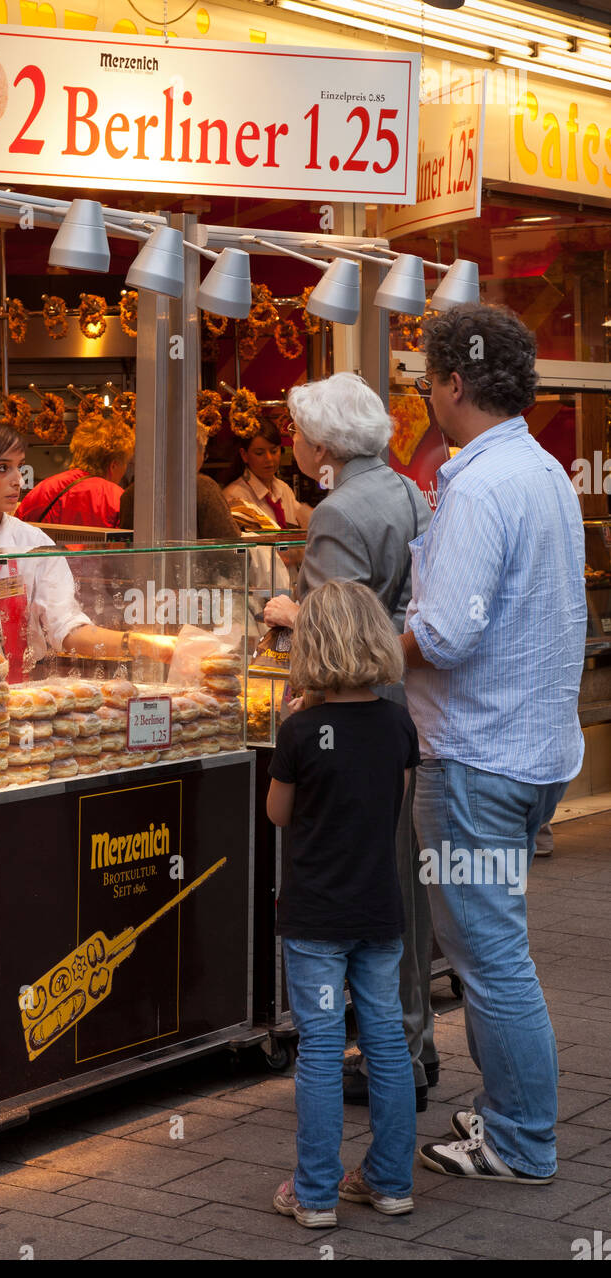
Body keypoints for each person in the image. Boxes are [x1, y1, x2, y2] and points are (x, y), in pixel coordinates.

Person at [402, 305, 586, 1184]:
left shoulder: (478, 484)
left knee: (489, 956)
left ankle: (520, 1139)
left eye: (429, 377)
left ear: (455, 383)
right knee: (494, 948)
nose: (425, 391)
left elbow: (442, 635)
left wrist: (354, 642)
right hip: (532, 752)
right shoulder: (543, 470)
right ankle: (514, 1117)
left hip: (476, 757)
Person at [263, 374, 437, 1110]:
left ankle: (378, 1049)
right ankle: (413, 1042)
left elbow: (337, 642)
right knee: (399, 881)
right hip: (403, 706)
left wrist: (286, 609)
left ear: (325, 446)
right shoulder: (406, 492)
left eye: (299, 433)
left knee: (355, 879)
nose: (293, 444)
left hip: (355, 716)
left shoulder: (336, 512)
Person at [267, 580, 418, 1227]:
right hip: (378, 911)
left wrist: (291, 727)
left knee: (323, 1047)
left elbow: (279, 813)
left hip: (316, 919)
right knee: (386, 1039)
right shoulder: (396, 723)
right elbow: (395, 802)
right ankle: (390, 1181)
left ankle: (315, 1193)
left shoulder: (302, 730)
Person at [0, 417, 150, 681]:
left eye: (19, 467)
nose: (18, 481)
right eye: (2, 468)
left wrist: (140, 643)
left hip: (13, 700)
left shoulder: (34, 545)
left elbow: (66, 627)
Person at [118, 421, 241, 540]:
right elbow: (230, 542)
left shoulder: (131, 494)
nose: (202, 460)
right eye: (203, 453)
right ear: (193, 448)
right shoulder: (203, 487)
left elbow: (127, 550)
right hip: (193, 561)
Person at [17, 413, 134, 528]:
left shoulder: (43, 489)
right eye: (126, 463)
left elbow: (15, 532)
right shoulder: (118, 499)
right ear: (113, 465)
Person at [223, 415, 313, 530]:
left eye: (274, 451)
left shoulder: (284, 489)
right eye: (259, 453)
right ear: (244, 455)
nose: (269, 459)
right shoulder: (234, 496)